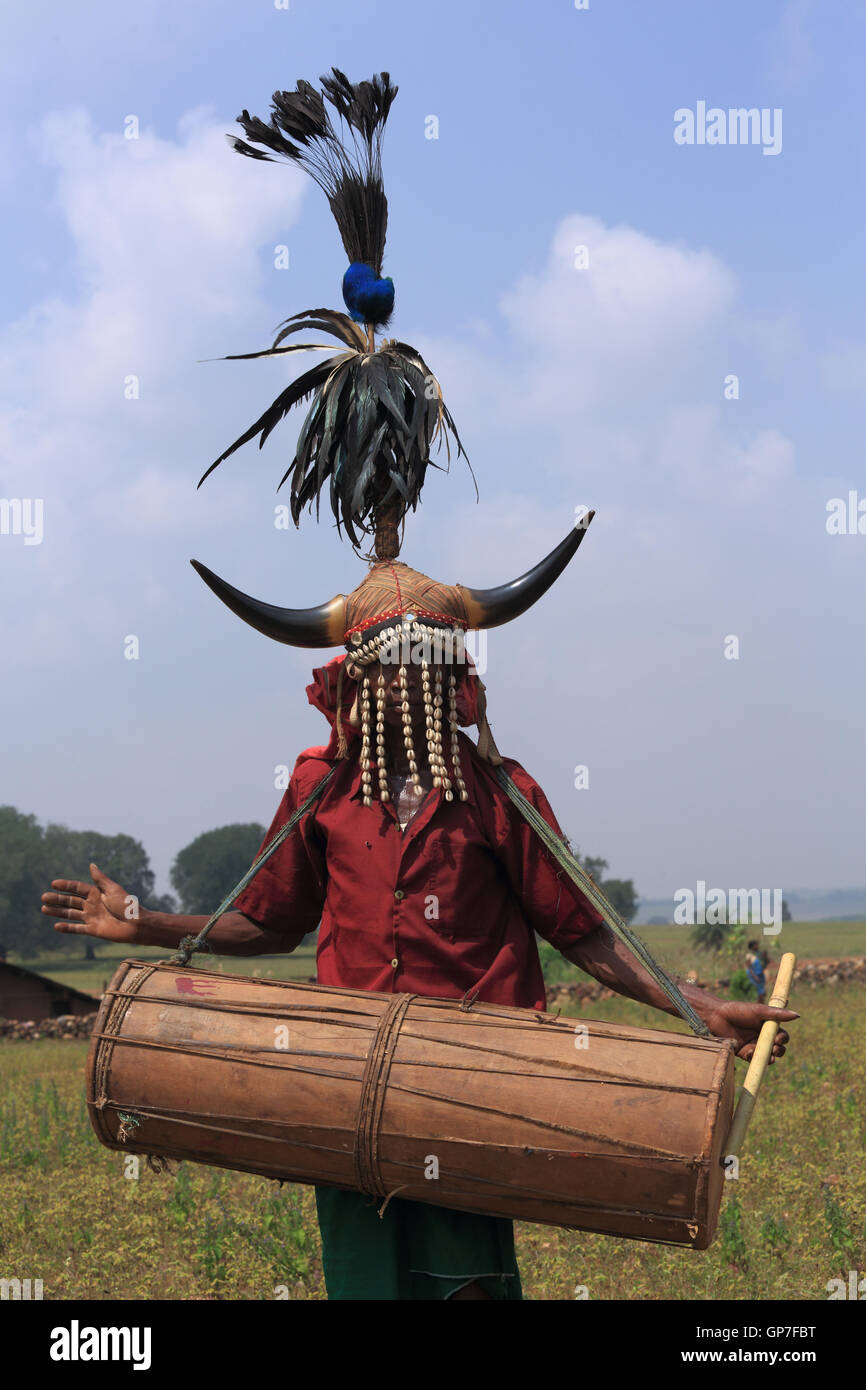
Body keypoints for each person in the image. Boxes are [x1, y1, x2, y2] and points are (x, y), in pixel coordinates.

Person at [42, 69, 797, 1300]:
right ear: (350, 684)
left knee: (463, 1294)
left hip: (477, 1091)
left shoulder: (494, 794)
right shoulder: (318, 790)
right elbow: (267, 922)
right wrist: (157, 927)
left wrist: (689, 1002)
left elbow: (580, 932)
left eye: (430, 675)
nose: (411, 698)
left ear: (451, 681)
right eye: (389, 678)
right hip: (346, 1096)